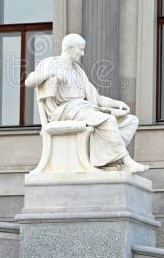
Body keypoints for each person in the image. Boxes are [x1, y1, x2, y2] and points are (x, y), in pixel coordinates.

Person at [24, 33, 148, 173]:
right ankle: (126, 160)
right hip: (65, 111)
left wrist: (116, 103)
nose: (82, 54)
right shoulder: (51, 63)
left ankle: (106, 159)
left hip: (83, 109)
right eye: (80, 49)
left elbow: (95, 97)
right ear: (69, 48)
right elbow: (29, 81)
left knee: (131, 121)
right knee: (108, 120)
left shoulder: (78, 71)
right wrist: (50, 73)